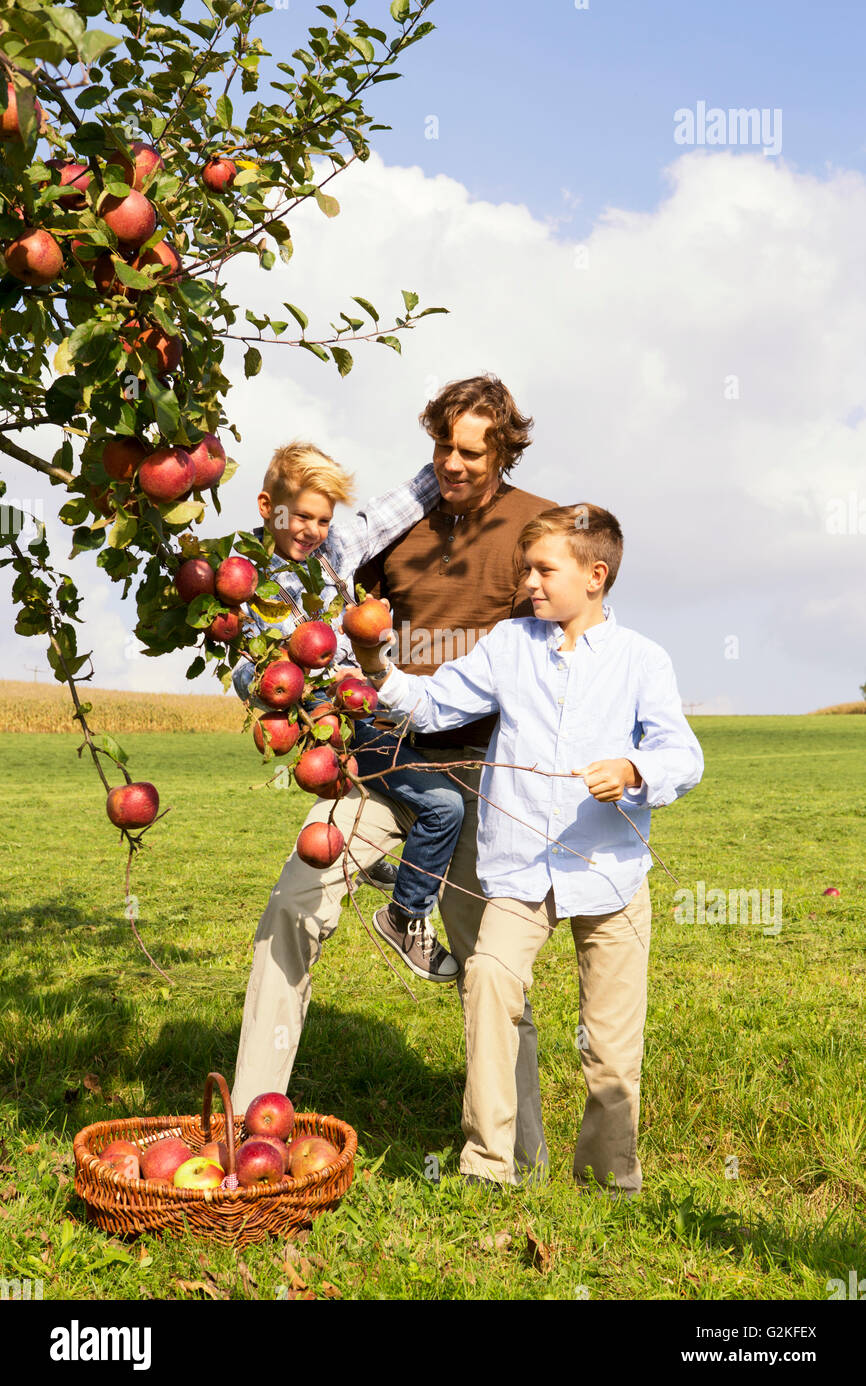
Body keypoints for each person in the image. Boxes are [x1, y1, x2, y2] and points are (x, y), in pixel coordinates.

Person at [230, 377, 555, 1152]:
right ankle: (251, 1126)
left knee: (489, 963)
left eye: (471, 451)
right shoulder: (394, 535)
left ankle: (513, 1152)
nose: (452, 463)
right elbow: (322, 623)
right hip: (384, 760)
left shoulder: (537, 529)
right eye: (441, 446)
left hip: (485, 776)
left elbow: (566, 643)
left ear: (503, 450)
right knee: (294, 906)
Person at [349, 503, 704, 1193]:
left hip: (612, 873)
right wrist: (374, 662)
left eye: (546, 570)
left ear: (595, 575)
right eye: (527, 569)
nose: (530, 583)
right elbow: (434, 706)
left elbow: (679, 753)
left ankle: (609, 1179)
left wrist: (635, 772)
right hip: (517, 868)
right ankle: (492, 1164)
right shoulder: (510, 645)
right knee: (487, 981)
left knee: (609, 1048)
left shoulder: (641, 661)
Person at [231, 440, 463, 984]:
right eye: (300, 516)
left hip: (368, 713)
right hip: (331, 724)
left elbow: (405, 501)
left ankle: (372, 860)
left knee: (415, 796)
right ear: (268, 508)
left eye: (322, 518)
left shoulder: (336, 548)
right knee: (445, 807)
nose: (311, 530)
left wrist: (454, 458)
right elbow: (242, 671)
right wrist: (295, 683)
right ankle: (407, 917)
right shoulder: (243, 583)